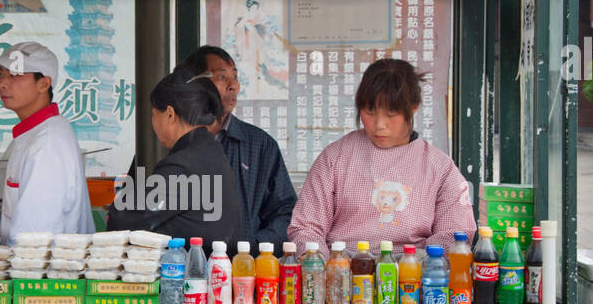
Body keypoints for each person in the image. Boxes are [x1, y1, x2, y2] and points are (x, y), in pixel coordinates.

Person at [288, 58, 476, 253]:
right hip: (341, 268)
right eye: (370, 110)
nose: (379, 124)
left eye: (391, 113)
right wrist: (321, 266)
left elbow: (454, 233)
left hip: (412, 271)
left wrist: (428, 267)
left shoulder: (440, 167)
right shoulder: (335, 157)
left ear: (414, 107)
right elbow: (306, 227)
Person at [105, 66, 242, 250]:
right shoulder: (210, 151)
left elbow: (121, 218)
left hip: (189, 272)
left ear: (169, 114)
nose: (153, 123)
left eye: (154, 115)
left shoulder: (184, 164)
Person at [0, 41, 95, 245]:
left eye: (15, 75)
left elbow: (34, 239)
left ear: (44, 84)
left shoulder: (47, 143)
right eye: (1, 75)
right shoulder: (38, 133)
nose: (2, 83)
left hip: (41, 274)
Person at [179, 45, 296, 247]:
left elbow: (285, 211)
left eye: (235, 76)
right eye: (222, 77)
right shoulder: (165, 141)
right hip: (176, 268)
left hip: (243, 270)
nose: (234, 85)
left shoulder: (260, 145)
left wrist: (253, 247)